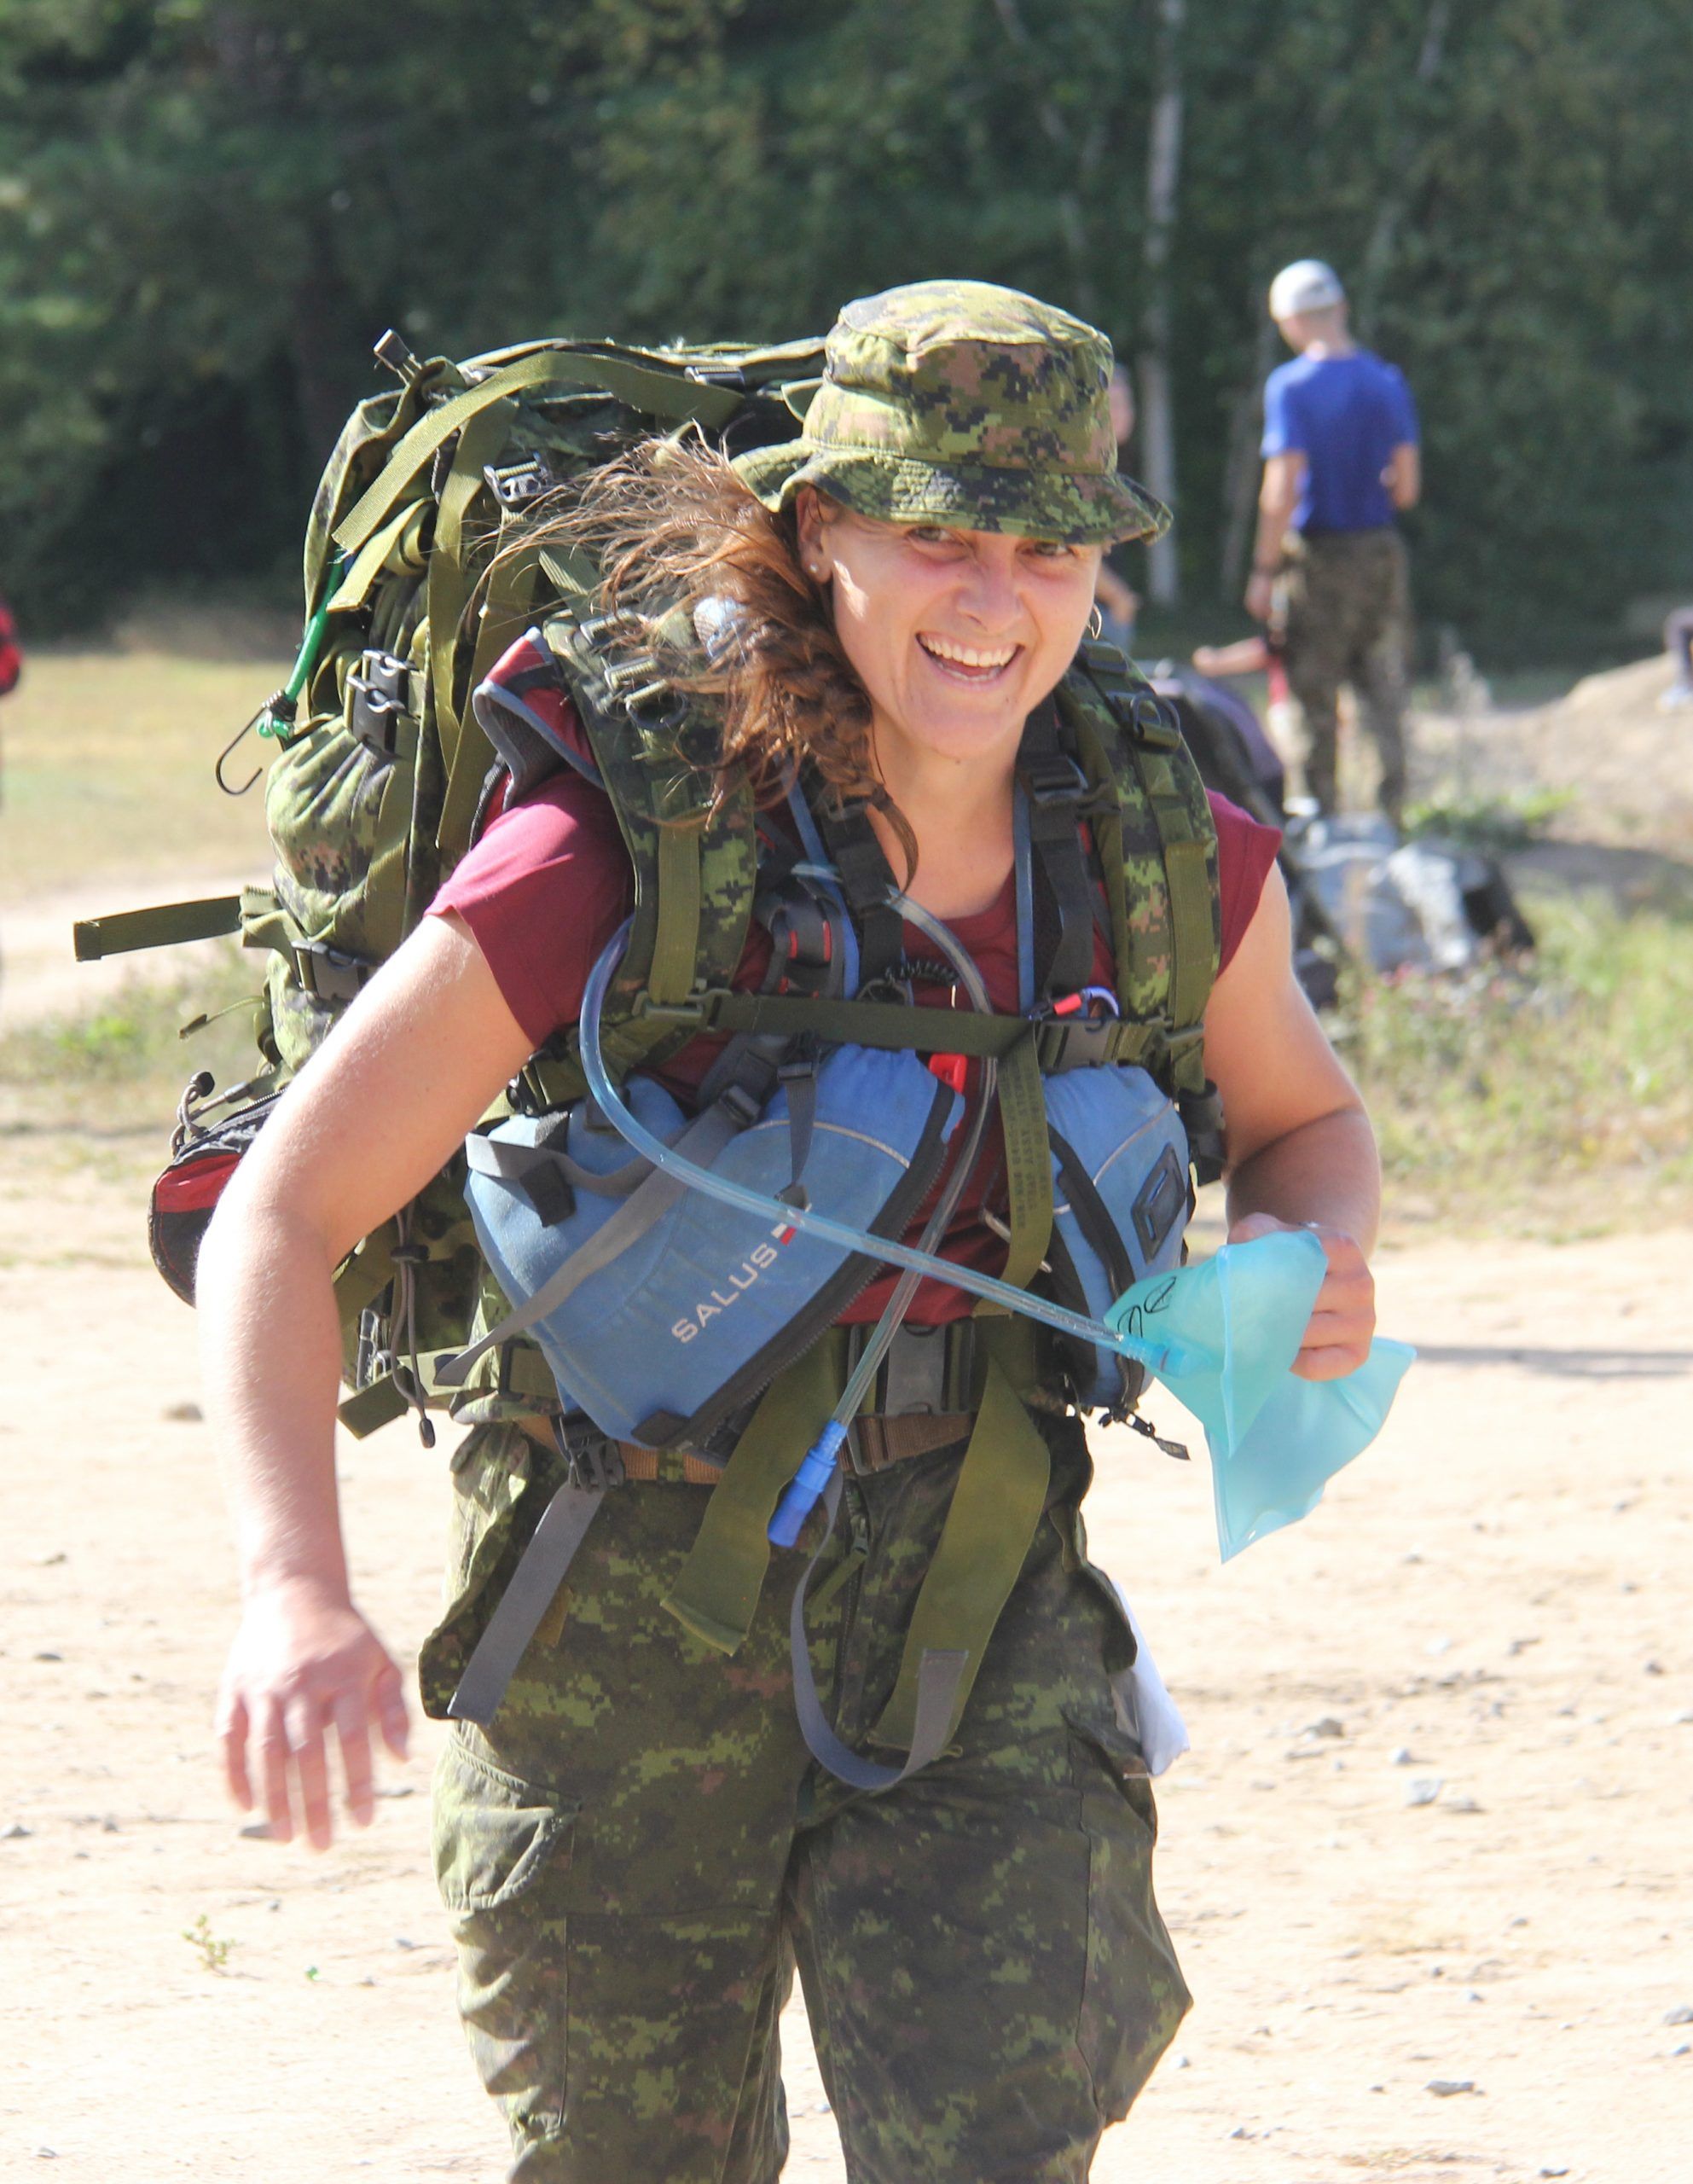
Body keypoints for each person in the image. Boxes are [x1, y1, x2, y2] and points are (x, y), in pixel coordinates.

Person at [201, 281, 1380, 2182]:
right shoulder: (632, 838)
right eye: (938, 536)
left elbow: (1305, 1121)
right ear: (821, 528)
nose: (993, 600)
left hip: (978, 1593)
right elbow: (288, 1206)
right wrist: (293, 1590)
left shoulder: (1149, 845)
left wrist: (1308, 1253)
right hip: (619, 1613)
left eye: (1046, 548)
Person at [1247, 258, 1420, 827]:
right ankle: (1390, 813)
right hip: (1380, 554)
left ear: (1290, 322)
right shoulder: (1386, 382)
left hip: (1318, 558)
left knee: (1313, 691)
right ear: (1340, 309)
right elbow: (1406, 489)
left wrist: (1264, 569)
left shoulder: (1291, 387)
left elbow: (1281, 489)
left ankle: (1321, 817)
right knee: (1382, 683)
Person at [1093, 364, 1142, 653]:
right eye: (1112, 404)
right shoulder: (1087, 471)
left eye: (1127, 403)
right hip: (1092, 615)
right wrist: (1119, 597)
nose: (1122, 413)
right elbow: (1077, 547)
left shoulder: (1111, 468)